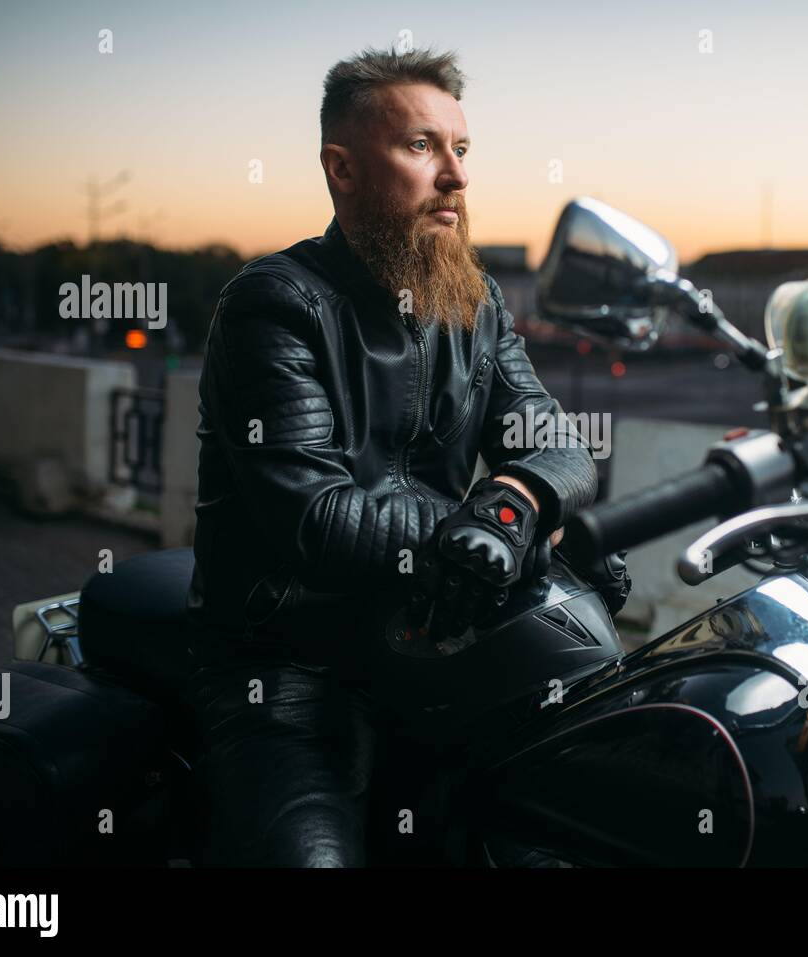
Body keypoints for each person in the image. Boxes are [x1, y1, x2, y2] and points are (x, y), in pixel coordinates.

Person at [181, 44, 629, 867]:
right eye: (422, 147)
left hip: (431, 632)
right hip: (286, 658)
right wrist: (475, 529)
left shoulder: (476, 300)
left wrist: (518, 505)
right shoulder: (275, 304)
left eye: (461, 150)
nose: (455, 176)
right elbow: (313, 517)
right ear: (342, 169)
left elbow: (555, 439)